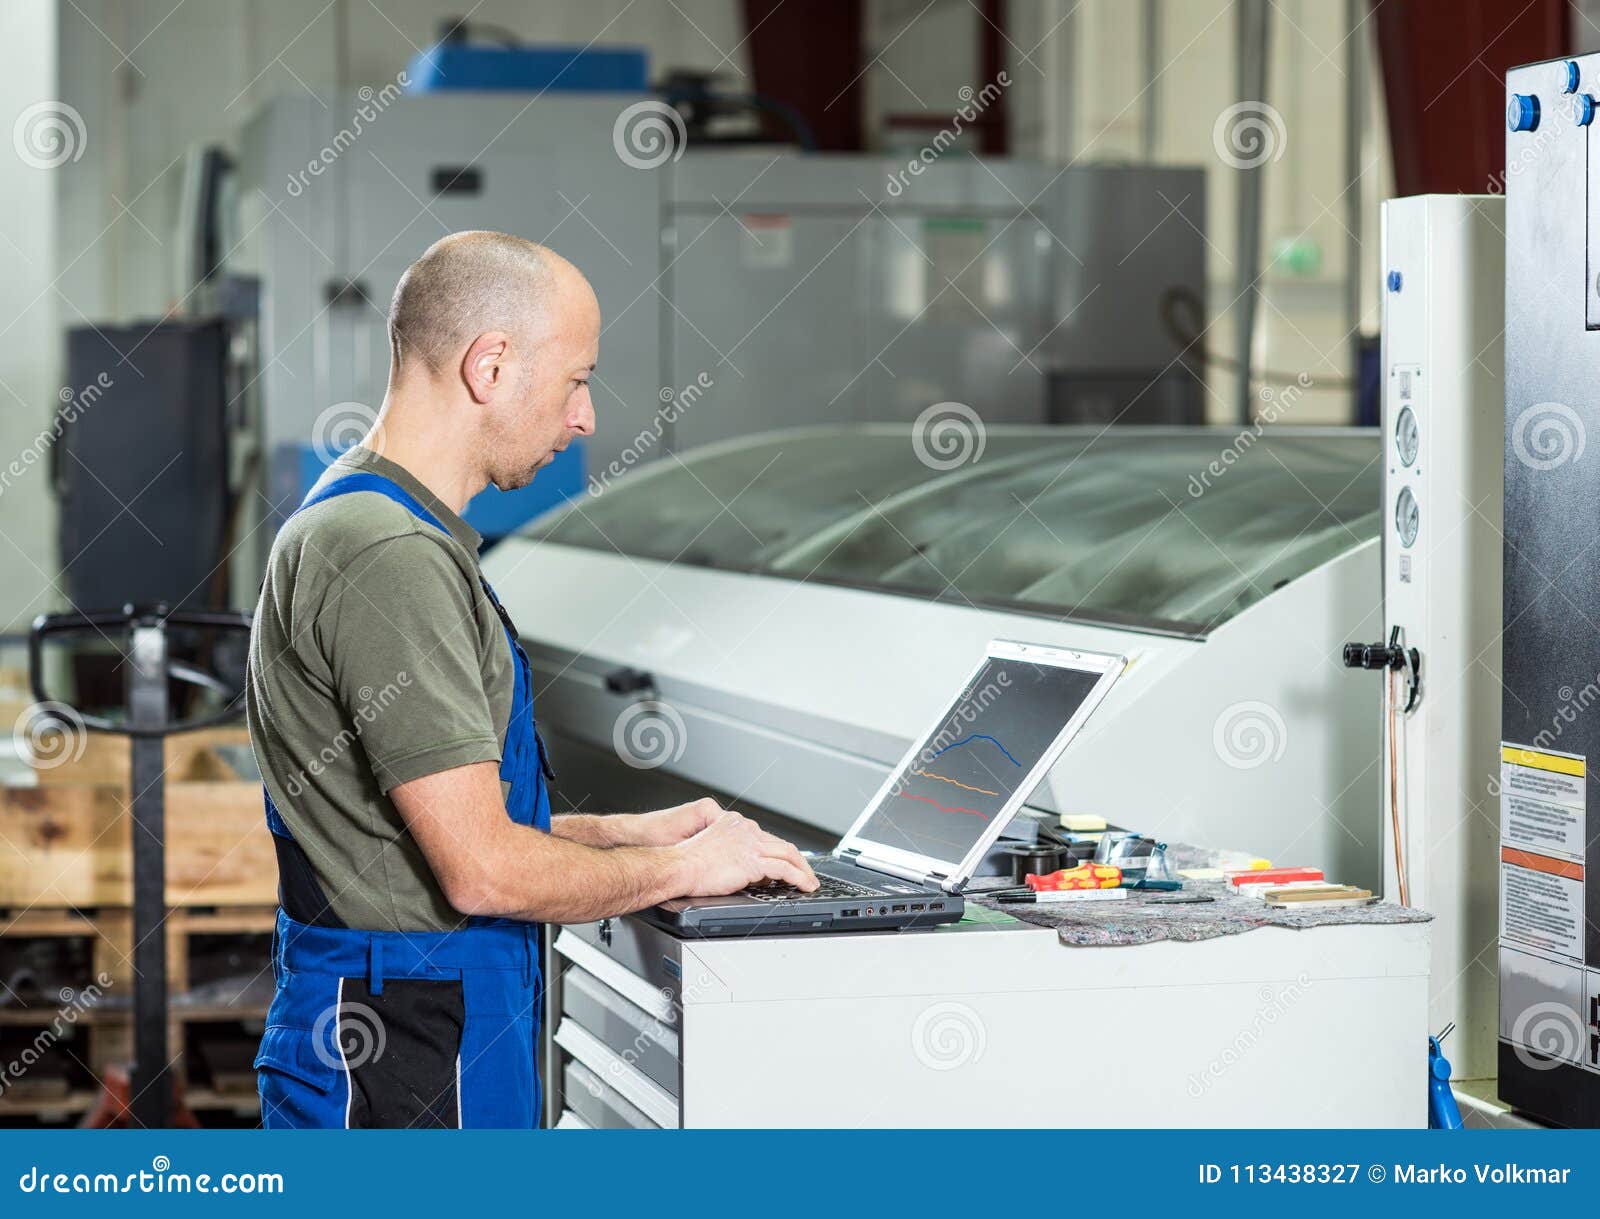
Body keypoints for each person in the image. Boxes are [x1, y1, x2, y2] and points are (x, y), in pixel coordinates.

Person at [246, 231, 816, 1129]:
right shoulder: (388, 551)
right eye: (576, 378)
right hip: (404, 1052)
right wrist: (684, 866)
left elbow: (440, 825)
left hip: (427, 1024)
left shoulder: (381, 521)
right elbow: (480, 869)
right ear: (491, 365)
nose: (584, 417)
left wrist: (629, 836)